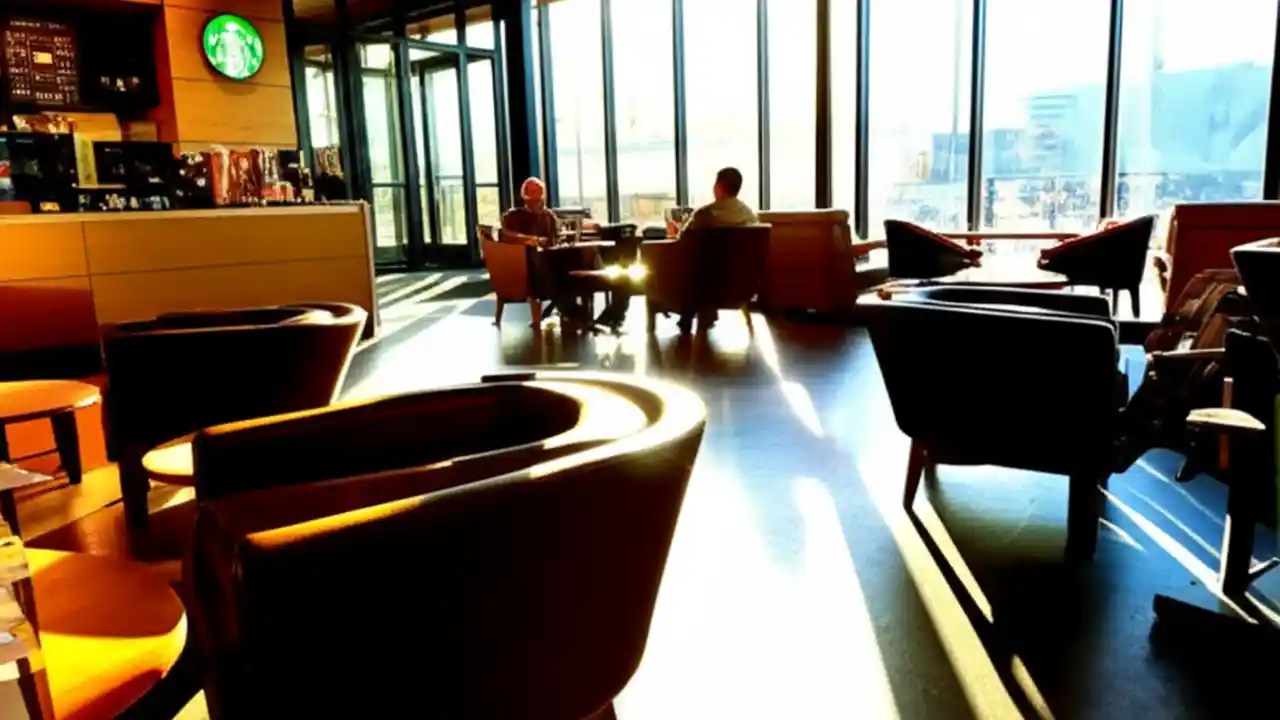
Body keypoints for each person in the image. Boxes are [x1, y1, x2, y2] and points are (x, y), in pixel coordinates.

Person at [671, 167, 759, 332]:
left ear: (718, 186)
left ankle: (692, 312)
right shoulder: (749, 216)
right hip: (741, 280)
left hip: (703, 281)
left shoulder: (704, 214)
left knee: (698, 257)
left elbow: (682, 242)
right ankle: (704, 310)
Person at [500, 178, 592, 327]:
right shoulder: (514, 215)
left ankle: (573, 310)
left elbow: (556, 238)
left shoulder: (549, 216)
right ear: (525, 196)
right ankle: (572, 311)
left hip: (550, 257)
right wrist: (532, 240)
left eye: (539, 193)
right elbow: (506, 235)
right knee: (542, 260)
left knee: (572, 257)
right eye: (532, 194)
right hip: (524, 260)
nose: (537, 198)